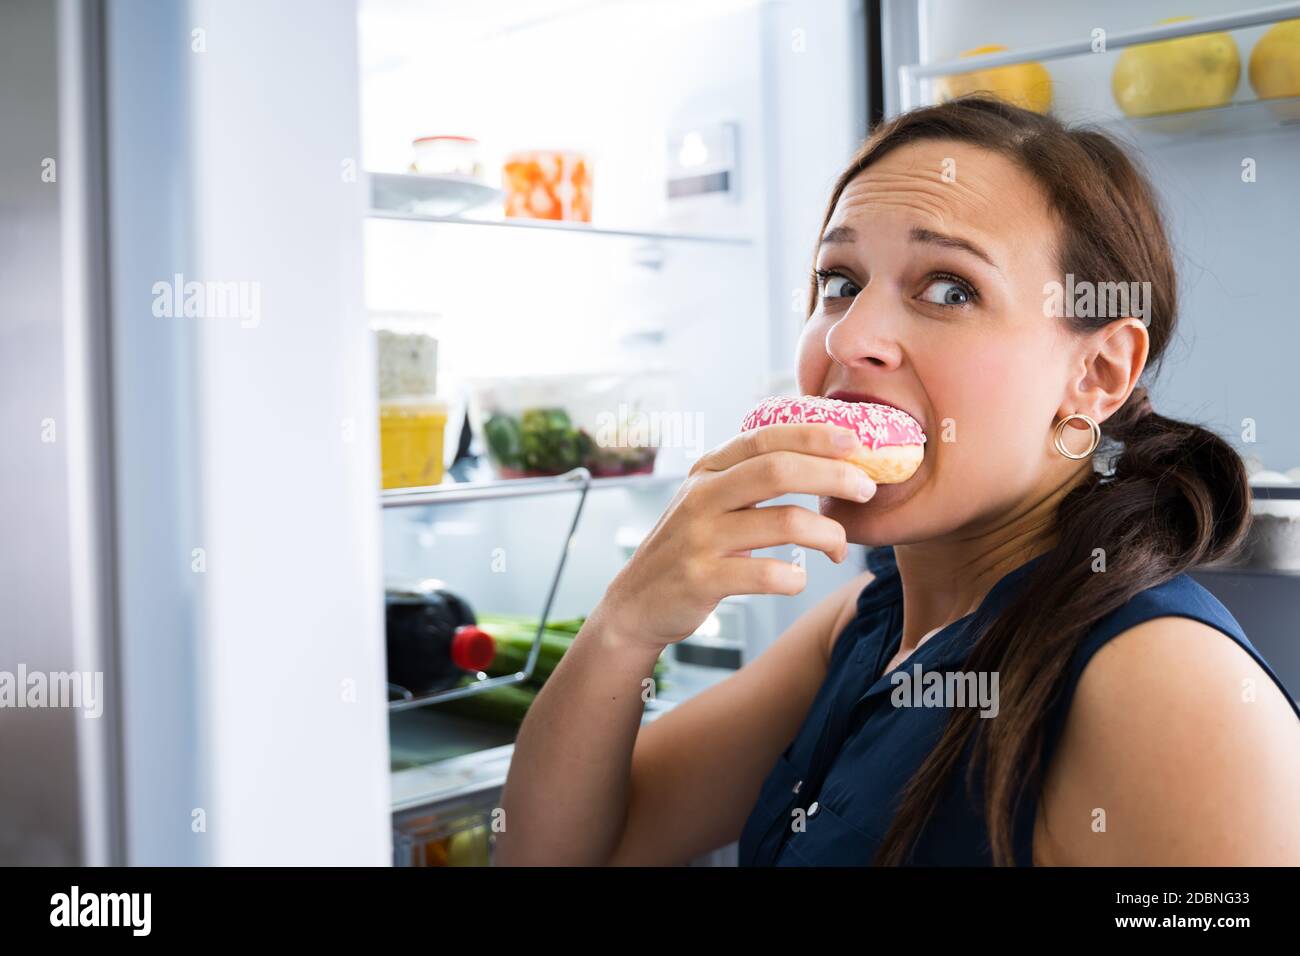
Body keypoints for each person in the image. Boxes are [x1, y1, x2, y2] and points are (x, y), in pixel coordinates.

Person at [494, 96, 1300, 866]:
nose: (853, 337)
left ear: (1096, 371)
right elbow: (568, 851)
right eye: (840, 281)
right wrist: (624, 628)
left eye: (950, 289)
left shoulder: (1162, 682)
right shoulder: (866, 622)